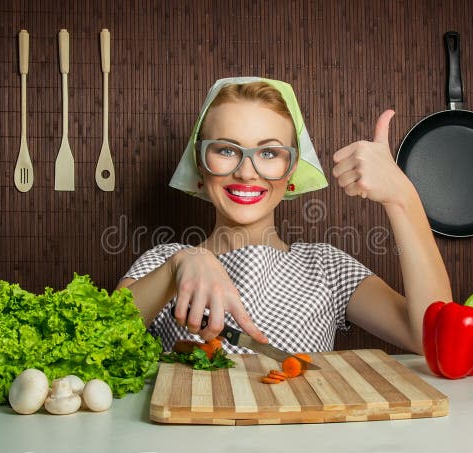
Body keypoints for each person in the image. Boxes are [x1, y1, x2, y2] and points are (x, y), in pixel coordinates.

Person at [118, 77, 451, 355]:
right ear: (200, 164)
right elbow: (100, 343)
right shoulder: (162, 262)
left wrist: (402, 198)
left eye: (269, 153)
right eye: (226, 150)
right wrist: (180, 264)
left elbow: (436, 340)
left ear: (291, 168)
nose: (247, 172)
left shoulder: (326, 268)